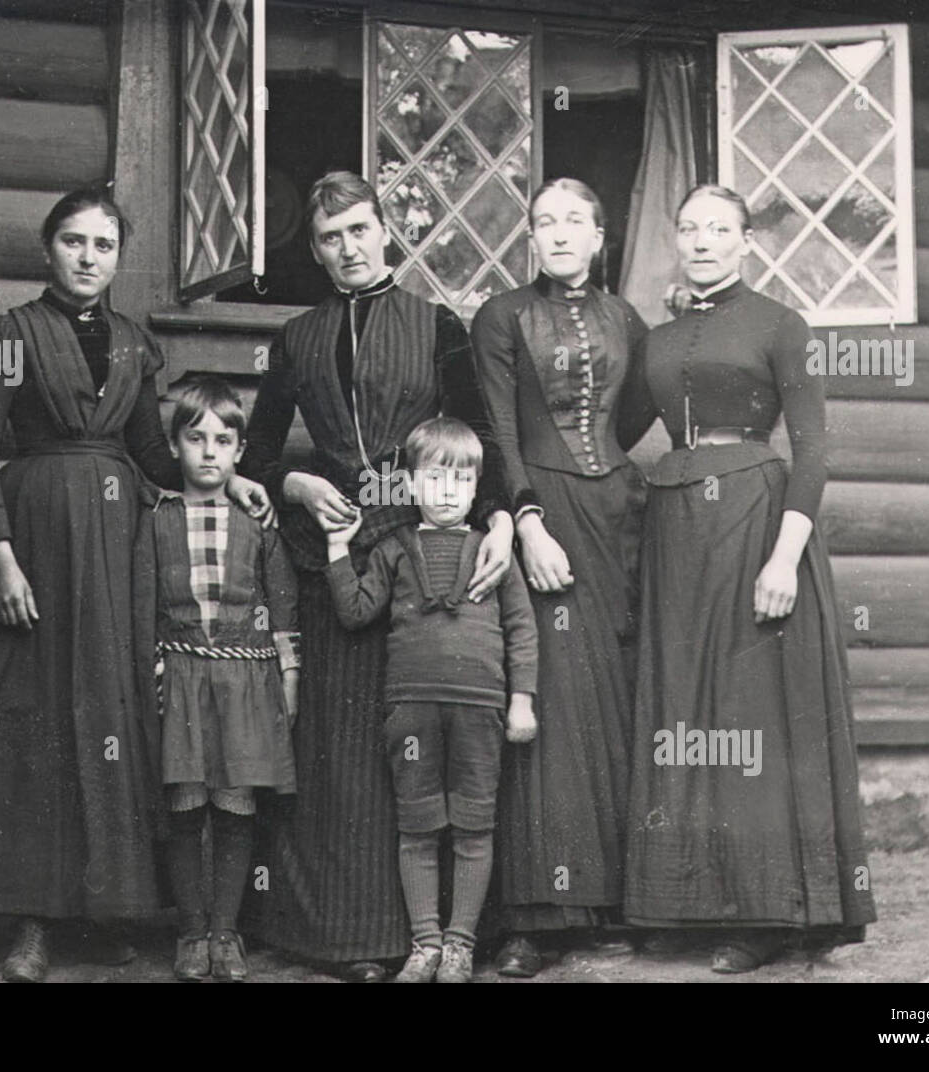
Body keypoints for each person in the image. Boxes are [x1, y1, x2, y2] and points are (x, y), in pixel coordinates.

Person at [0, 186, 270, 982]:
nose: (89, 257)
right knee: (30, 715)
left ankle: (103, 907)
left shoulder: (133, 344)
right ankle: (32, 922)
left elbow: (154, 454)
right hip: (33, 542)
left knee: (110, 710)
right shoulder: (6, 335)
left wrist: (236, 480)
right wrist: (2, 555)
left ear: (119, 256)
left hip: (116, 548)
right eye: (74, 241)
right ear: (48, 249)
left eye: (104, 245)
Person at [239, 171, 515, 981]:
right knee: (339, 743)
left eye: (360, 230)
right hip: (335, 550)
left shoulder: (437, 325)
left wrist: (499, 516)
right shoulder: (297, 337)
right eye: (330, 238)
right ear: (317, 252)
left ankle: (429, 938)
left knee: (416, 742)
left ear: (386, 231)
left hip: (421, 550)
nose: (348, 249)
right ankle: (343, 935)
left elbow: (484, 437)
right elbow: (257, 453)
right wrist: (297, 483)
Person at [618, 184, 877, 973]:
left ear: (746, 240)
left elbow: (814, 450)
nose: (701, 241)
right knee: (682, 706)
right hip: (677, 532)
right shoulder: (658, 337)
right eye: (689, 228)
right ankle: (687, 905)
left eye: (718, 229)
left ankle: (766, 915)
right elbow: (618, 428)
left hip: (755, 524)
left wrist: (784, 556)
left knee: (746, 713)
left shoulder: (779, 324)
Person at [470, 177, 649, 977]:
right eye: (545, 221)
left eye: (576, 219)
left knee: (609, 695)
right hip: (545, 509)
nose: (560, 232)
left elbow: (637, 411)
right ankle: (535, 917)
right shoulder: (501, 316)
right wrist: (529, 517)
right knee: (543, 698)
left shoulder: (627, 319)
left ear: (600, 235)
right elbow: (498, 427)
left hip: (615, 512)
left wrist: (607, 468)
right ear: (531, 238)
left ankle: (607, 901)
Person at [325, 417, 539, 983]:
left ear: (476, 490)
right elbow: (354, 611)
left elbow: (521, 628)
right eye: (435, 478)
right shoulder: (396, 547)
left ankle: (461, 943)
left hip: (478, 709)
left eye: (461, 481)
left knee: (473, 826)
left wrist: (522, 701)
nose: (448, 492)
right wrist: (337, 549)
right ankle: (424, 943)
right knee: (418, 827)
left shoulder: (493, 552)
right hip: (412, 709)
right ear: (411, 485)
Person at [133, 374, 300, 983]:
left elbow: (281, 605)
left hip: (245, 682)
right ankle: (191, 931)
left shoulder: (257, 521)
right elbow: (144, 605)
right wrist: (148, 672)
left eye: (223, 440)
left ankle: (227, 933)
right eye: (195, 438)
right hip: (178, 677)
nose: (208, 452)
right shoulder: (156, 520)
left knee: (233, 803)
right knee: (185, 802)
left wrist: (288, 675)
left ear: (238, 451)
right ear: (174, 446)